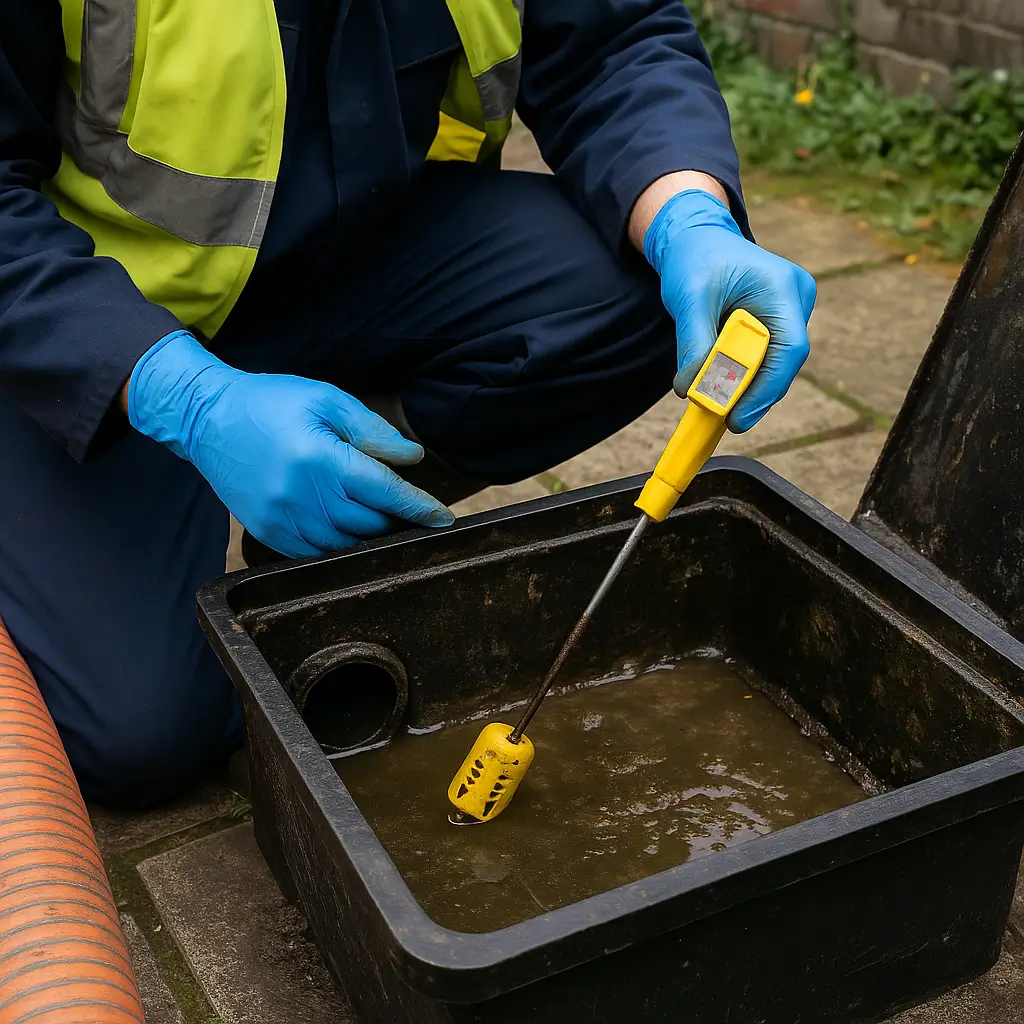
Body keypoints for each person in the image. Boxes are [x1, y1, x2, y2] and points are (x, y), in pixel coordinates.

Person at [0, 1, 815, 808]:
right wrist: (185, 398)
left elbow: (613, 39)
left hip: (362, 255)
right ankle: (184, 462)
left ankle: (338, 494)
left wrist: (690, 214)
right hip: (102, 317)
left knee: (639, 296)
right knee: (151, 734)